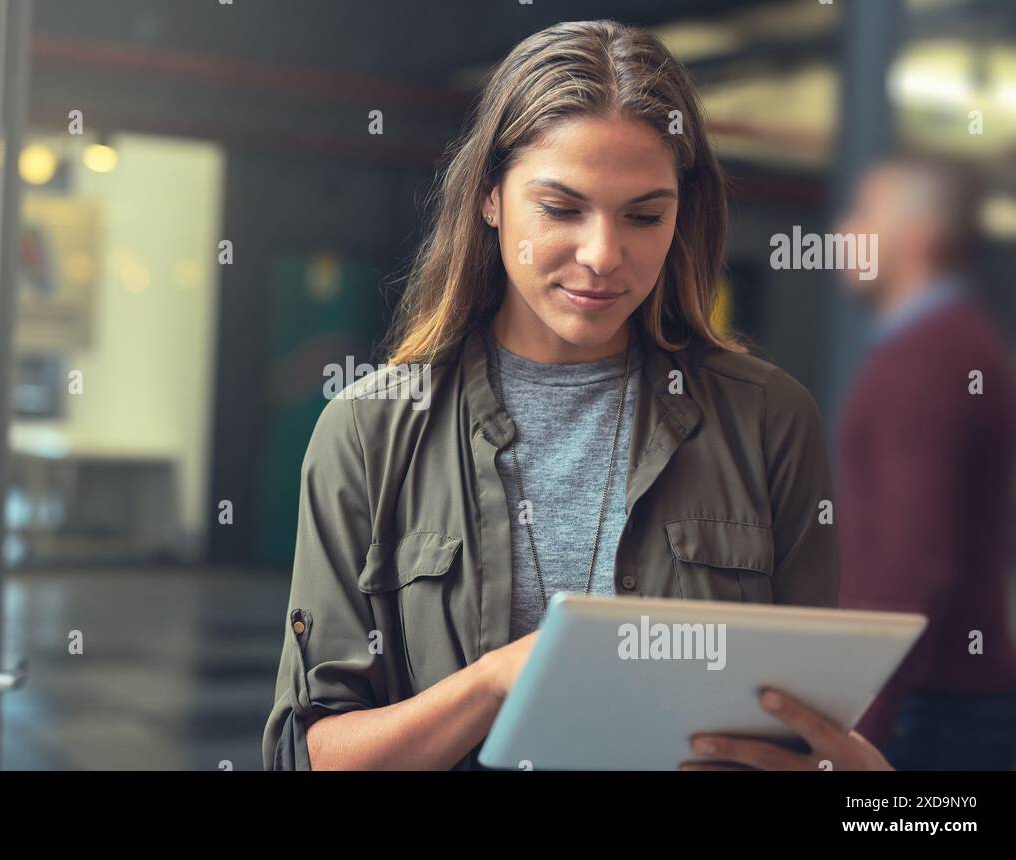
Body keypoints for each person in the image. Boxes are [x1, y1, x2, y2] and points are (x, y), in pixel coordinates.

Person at [263, 19, 889, 771]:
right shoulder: (366, 433)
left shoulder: (769, 421)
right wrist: (496, 682)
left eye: (644, 216)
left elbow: (804, 725)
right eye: (562, 208)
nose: (603, 256)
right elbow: (309, 753)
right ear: (490, 197)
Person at [834, 156, 1016, 770]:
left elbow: (916, 560)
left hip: (926, 713)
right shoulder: (951, 343)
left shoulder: (932, 359)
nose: (842, 235)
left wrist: (861, 719)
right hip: (944, 703)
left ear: (916, 236)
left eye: (863, 215)